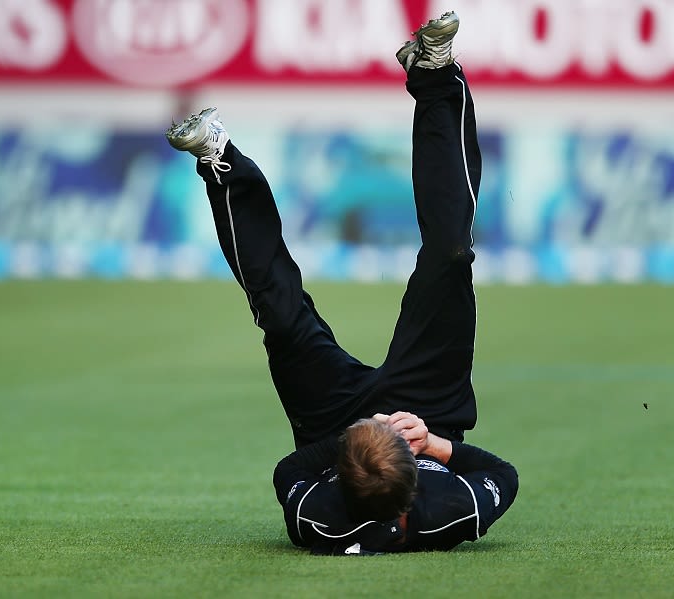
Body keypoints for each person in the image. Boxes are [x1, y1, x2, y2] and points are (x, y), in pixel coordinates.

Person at [165, 11, 518, 554]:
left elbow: (288, 472)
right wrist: (433, 444)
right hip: (425, 413)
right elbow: (503, 476)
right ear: (413, 492)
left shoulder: (320, 519)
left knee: (281, 317)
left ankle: (219, 161)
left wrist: (355, 441)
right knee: (450, 257)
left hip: (334, 430)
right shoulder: (450, 511)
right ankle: (435, 74)